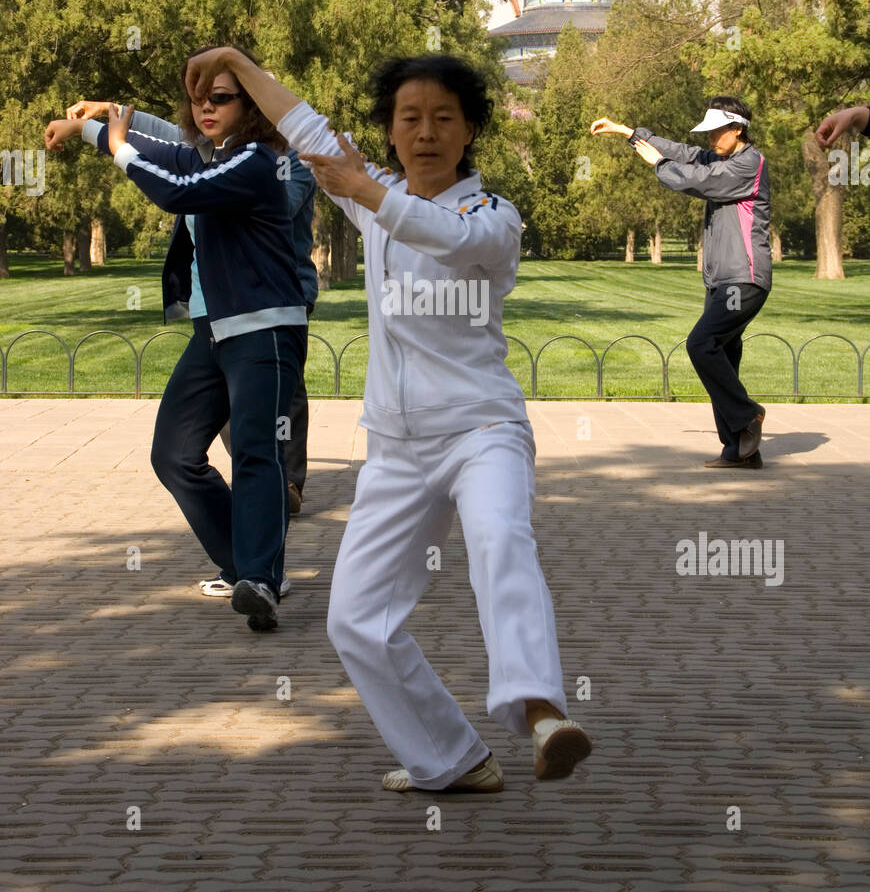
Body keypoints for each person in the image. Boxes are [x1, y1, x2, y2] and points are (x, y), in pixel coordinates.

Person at [180, 45, 592, 794]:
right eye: (410, 118)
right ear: (392, 130)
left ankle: (541, 713)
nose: (426, 130)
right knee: (356, 621)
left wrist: (367, 190)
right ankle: (452, 759)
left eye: (444, 118)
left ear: (470, 132)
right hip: (398, 451)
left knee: (501, 539)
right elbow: (302, 122)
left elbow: (451, 239)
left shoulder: (491, 215)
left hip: (482, 432)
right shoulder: (373, 197)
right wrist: (239, 63)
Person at [44, 49, 308, 631]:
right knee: (174, 453)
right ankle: (249, 568)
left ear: (252, 105)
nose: (205, 107)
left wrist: (116, 147)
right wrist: (91, 125)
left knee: (256, 453)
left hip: (265, 328)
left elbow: (174, 188)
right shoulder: (214, 154)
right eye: (198, 98)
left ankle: (261, 577)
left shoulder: (258, 163)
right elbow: (173, 153)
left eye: (221, 98)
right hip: (215, 332)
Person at [591, 97, 771, 468]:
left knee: (701, 344)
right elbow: (683, 153)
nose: (709, 139)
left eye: (716, 131)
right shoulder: (721, 156)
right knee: (726, 356)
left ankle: (748, 415)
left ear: (737, 129)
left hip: (744, 280)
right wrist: (628, 132)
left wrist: (658, 166)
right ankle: (739, 451)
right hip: (721, 279)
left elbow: (699, 180)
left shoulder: (748, 163)